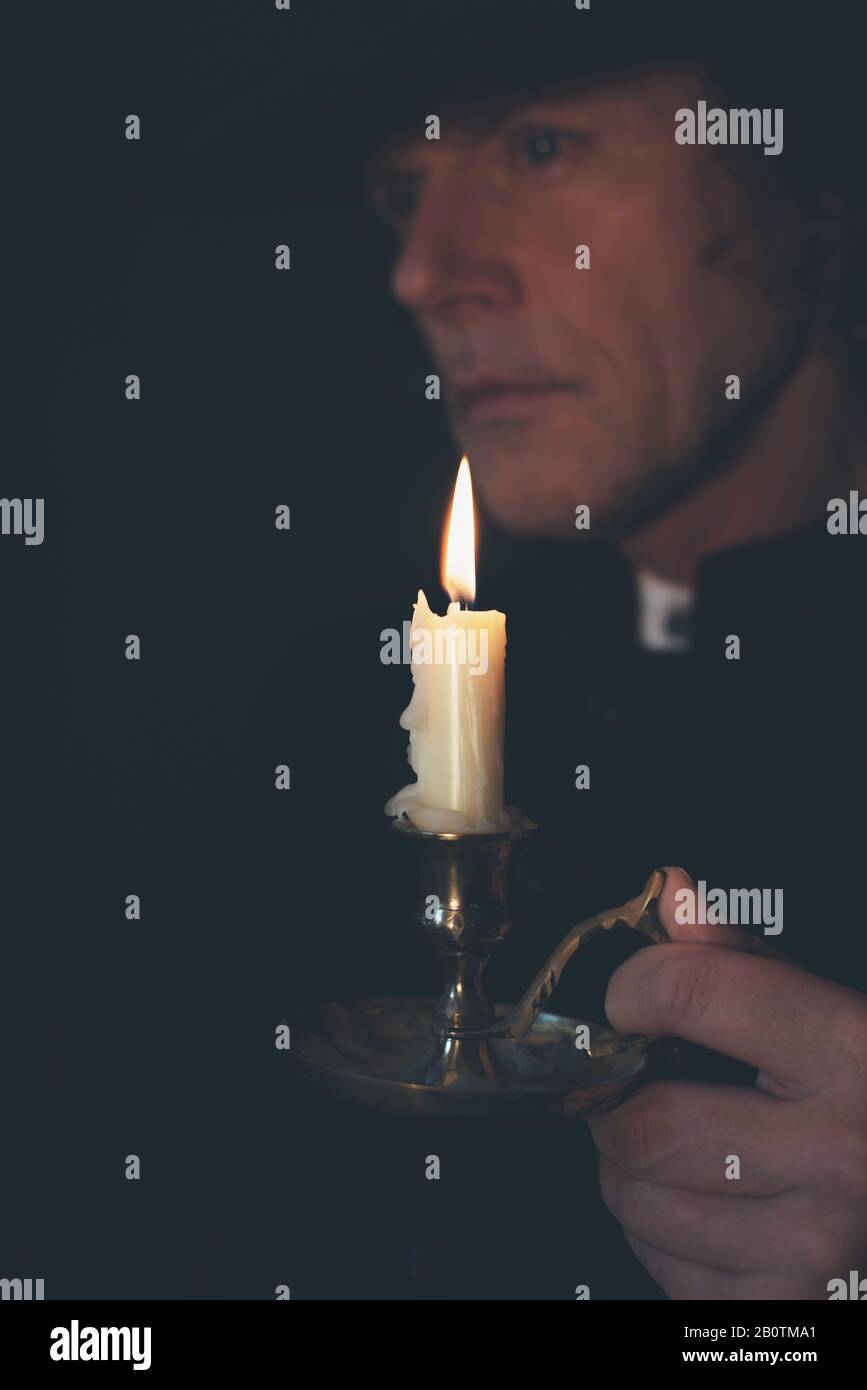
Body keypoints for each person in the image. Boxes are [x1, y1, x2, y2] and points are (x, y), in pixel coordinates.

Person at [343, 8, 867, 1299]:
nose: (423, 268)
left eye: (538, 146)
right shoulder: (332, 726)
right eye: (403, 191)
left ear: (816, 197)